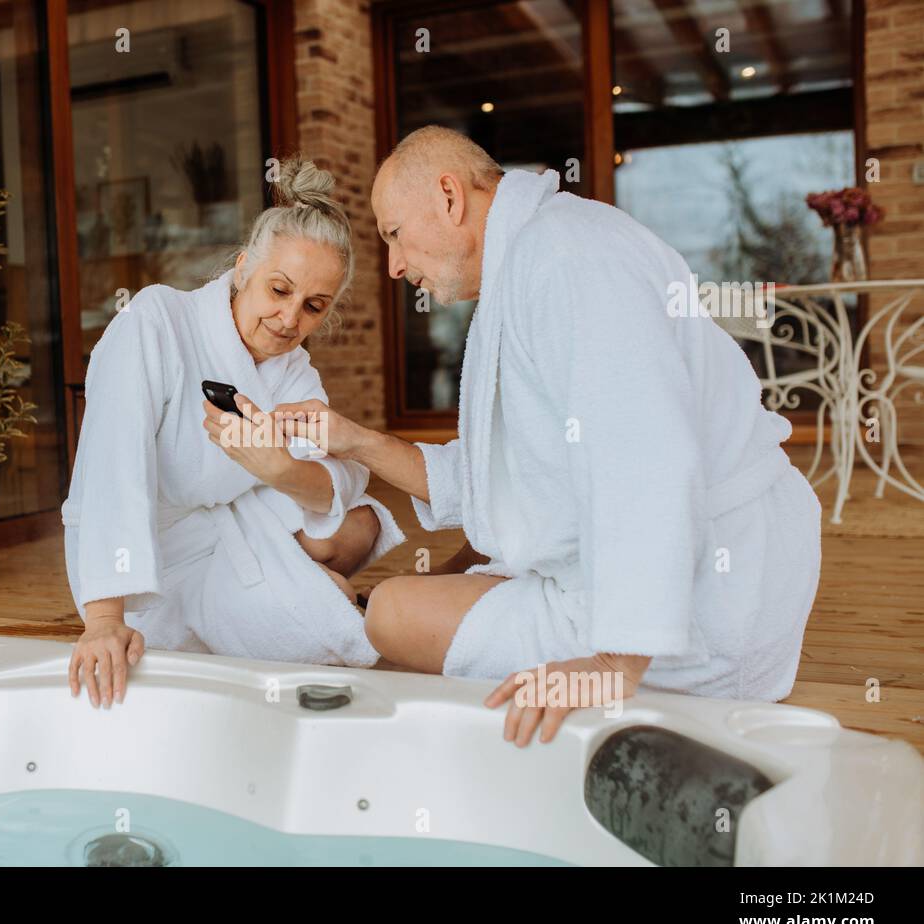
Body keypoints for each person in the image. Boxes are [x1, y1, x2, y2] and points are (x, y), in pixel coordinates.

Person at [277, 126, 822, 747]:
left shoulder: (568, 260)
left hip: (707, 602)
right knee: (422, 589)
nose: (397, 266)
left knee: (393, 614)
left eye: (395, 235)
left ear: (449, 198)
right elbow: (496, 475)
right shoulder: (532, 259)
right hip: (666, 576)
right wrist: (355, 441)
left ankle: (643, 666)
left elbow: (645, 454)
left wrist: (616, 661)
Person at [62, 157, 405, 708]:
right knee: (336, 607)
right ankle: (271, 592)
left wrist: (280, 469)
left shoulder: (293, 370)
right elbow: (111, 464)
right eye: (279, 289)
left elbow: (340, 476)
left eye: (313, 306)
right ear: (243, 266)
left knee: (356, 525)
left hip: (233, 531)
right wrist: (104, 618)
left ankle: (292, 578)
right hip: (158, 557)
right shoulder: (158, 322)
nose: (290, 319)